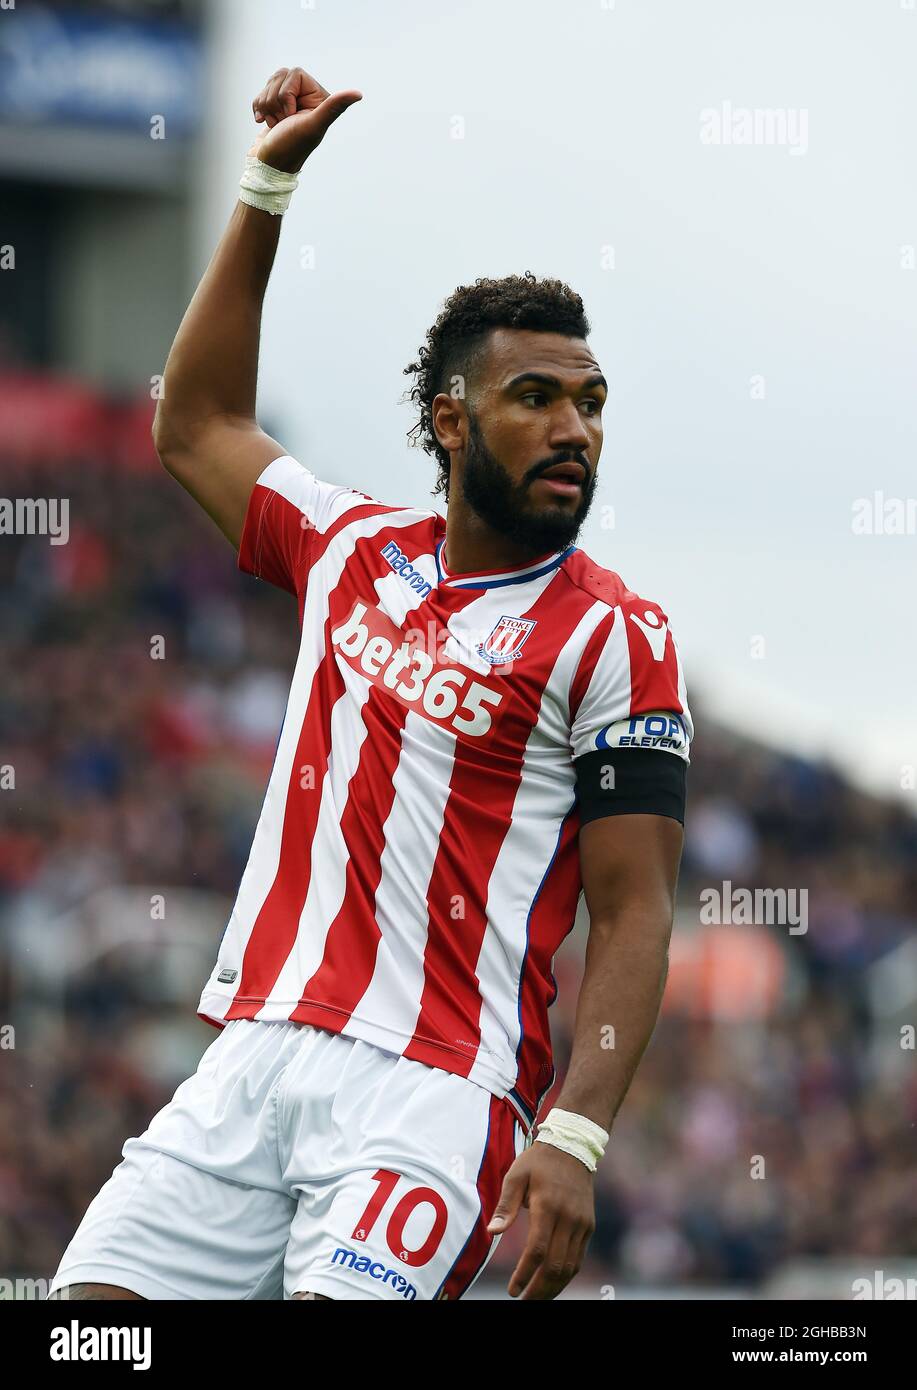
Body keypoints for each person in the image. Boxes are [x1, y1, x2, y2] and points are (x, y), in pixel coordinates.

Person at [49, 65, 692, 1302]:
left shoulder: (616, 636)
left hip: (433, 1098)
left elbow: (636, 911)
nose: (575, 429)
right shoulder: (349, 549)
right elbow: (190, 423)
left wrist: (574, 1133)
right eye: (536, 398)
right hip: (250, 1064)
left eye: (591, 404)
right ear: (450, 420)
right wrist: (265, 185)